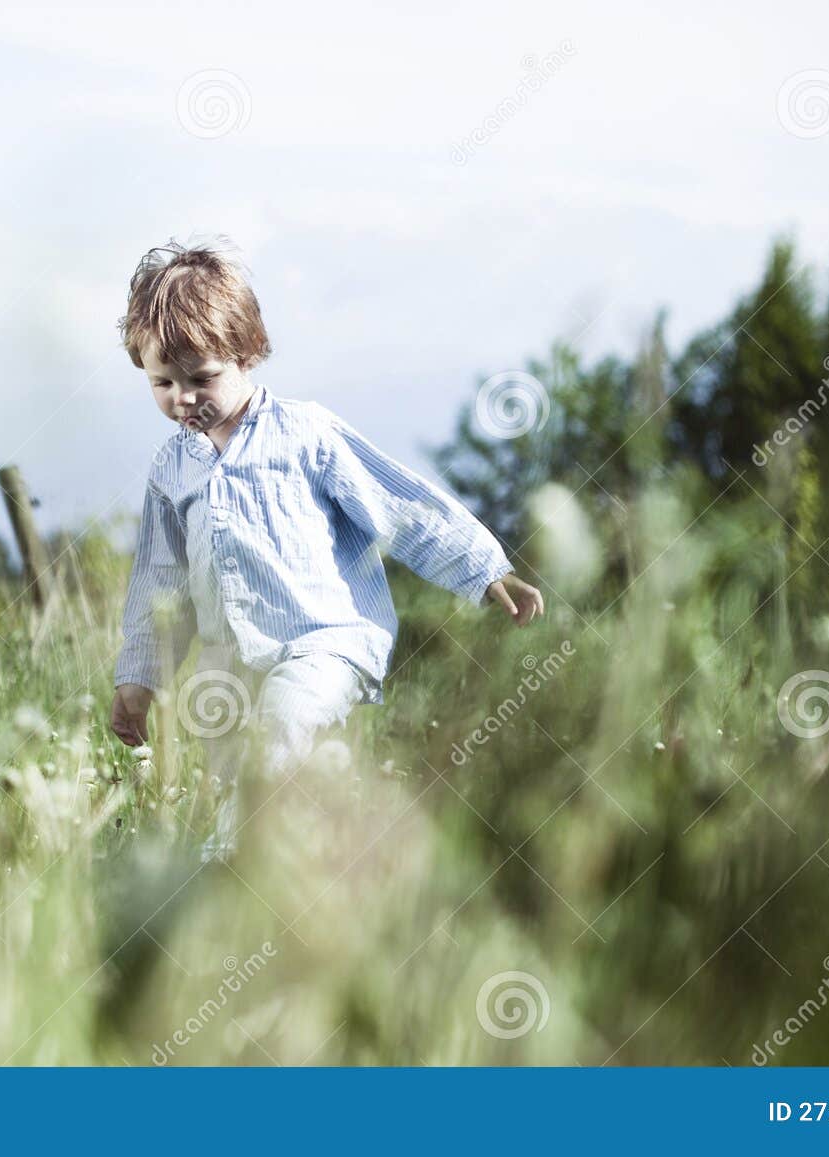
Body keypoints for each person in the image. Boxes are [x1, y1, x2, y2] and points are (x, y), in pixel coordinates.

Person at [109, 239, 544, 858]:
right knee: (244, 771)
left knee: (283, 722)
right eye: (163, 382)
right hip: (228, 666)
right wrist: (140, 678)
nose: (184, 398)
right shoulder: (171, 470)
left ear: (244, 354)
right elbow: (159, 582)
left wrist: (483, 568)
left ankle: (224, 865)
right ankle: (297, 882)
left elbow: (398, 502)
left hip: (326, 641)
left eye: (201, 378)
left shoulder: (304, 434)